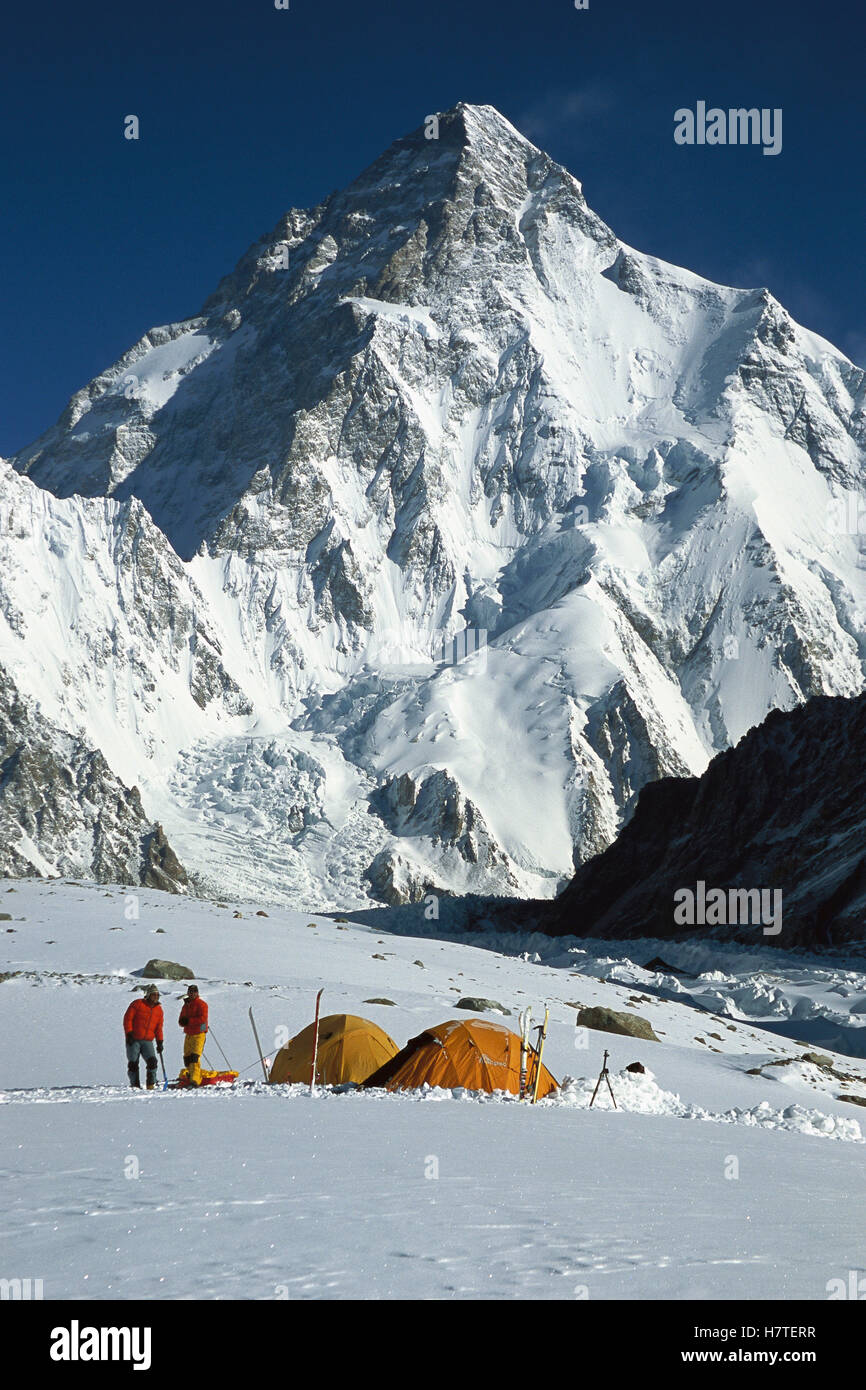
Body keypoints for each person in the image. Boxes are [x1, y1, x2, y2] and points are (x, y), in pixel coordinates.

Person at [123, 985, 164, 1089]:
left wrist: (160, 1041)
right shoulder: (137, 1004)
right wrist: (129, 1033)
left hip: (147, 1040)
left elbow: (159, 1028)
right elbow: (128, 1019)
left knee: (152, 1061)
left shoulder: (159, 1010)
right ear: (148, 995)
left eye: (157, 995)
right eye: (153, 994)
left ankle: (150, 1084)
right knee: (133, 1063)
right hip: (134, 1039)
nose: (155, 997)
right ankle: (135, 1084)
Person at [178, 985, 208, 1087]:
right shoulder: (185, 1006)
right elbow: (182, 1020)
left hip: (199, 1034)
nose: (192, 994)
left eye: (194, 992)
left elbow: (203, 1019)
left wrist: (189, 1021)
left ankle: (195, 1081)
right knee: (187, 1058)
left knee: (195, 1057)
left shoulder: (202, 1004)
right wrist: (182, 1022)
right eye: (190, 992)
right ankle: (191, 1076)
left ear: (197, 993)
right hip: (188, 1034)